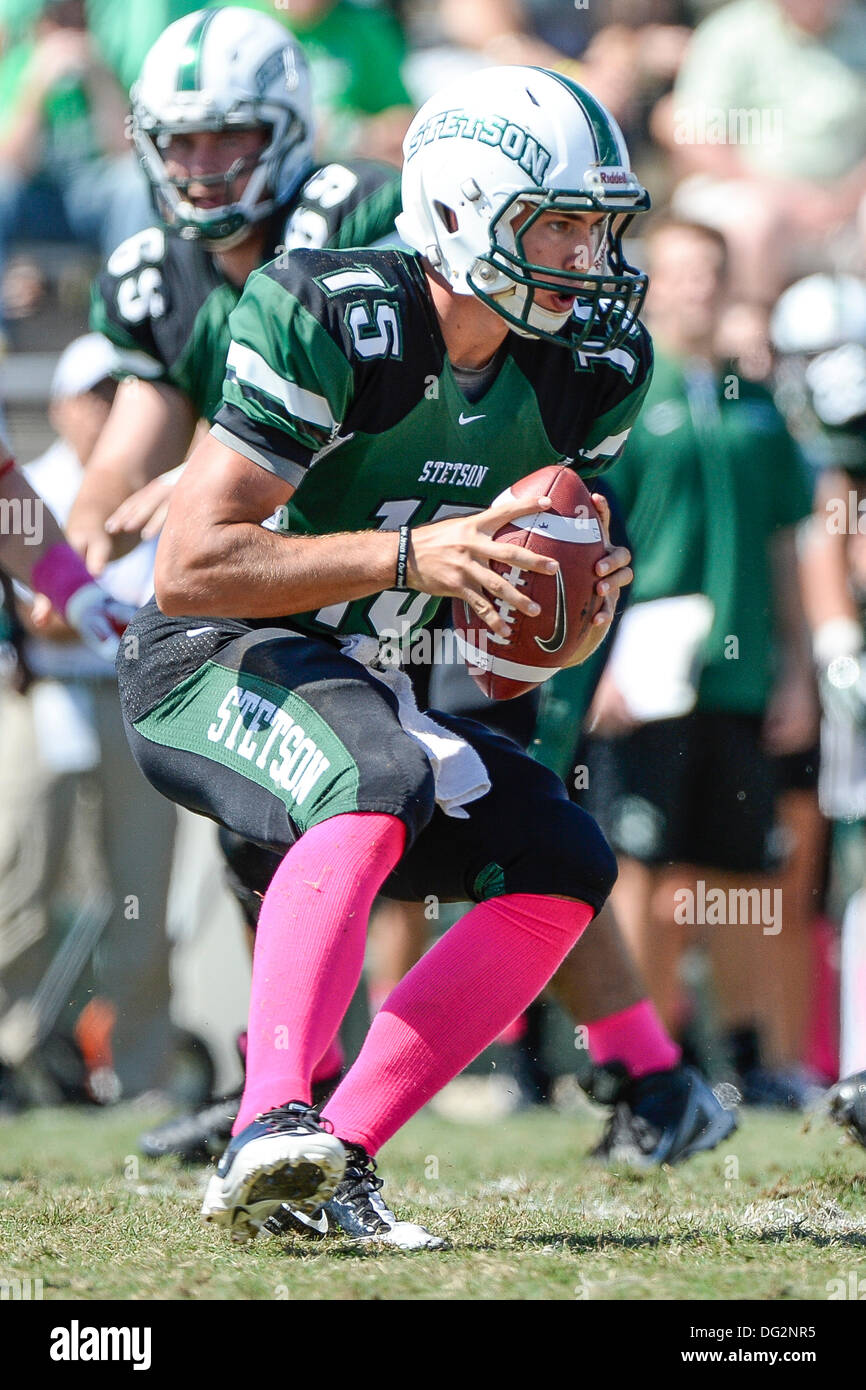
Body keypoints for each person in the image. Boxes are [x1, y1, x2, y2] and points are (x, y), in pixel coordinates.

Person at [116, 65, 650, 1247]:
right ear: (462, 211)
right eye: (557, 221)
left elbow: (507, 642)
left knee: (560, 858)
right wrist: (409, 557)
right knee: (373, 773)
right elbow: (190, 567)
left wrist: (566, 613)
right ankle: (267, 1120)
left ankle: (332, 1160)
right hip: (213, 659)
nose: (587, 253)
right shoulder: (332, 311)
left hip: (381, 679)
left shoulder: (590, 369)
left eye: (596, 224)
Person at [583, 219, 818, 1104]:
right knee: (639, 865)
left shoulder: (756, 398)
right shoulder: (621, 394)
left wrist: (796, 667)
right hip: (642, 680)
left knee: (743, 872)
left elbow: (788, 545)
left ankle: (752, 1060)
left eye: (708, 274)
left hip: (740, 675)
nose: (695, 290)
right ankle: (644, 1062)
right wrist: (593, 663)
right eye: (678, 273)